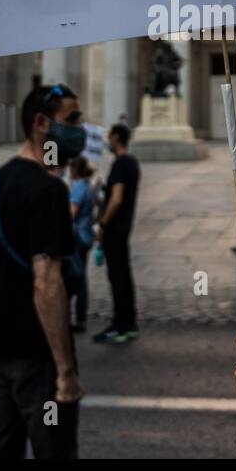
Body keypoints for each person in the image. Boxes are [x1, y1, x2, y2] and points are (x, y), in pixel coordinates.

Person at [0, 83, 85, 458]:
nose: (80, 128)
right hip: (37, 359)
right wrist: (65, 370)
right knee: (53, 447)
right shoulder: (49, 192)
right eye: (71, 119)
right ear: (41, 123)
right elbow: (47, 282)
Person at [95, 122, 141, 344]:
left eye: (109, 136)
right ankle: (128, 322)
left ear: (115, 138)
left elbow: (116, 198)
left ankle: (121, 325)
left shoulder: (121, 164)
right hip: (124, 227)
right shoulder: (131, 163)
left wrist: (102, 224)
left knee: (117, 277)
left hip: (114, 229)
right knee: (123, 275)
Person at [67, 155, 97, 334]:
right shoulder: (88, 186)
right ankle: (81, 317)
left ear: (74, 170)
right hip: (86, 235)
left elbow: (71, 213)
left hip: (77, 236)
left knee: (74, 277)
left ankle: (71, 316)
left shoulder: (78, 187)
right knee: (81, 276)